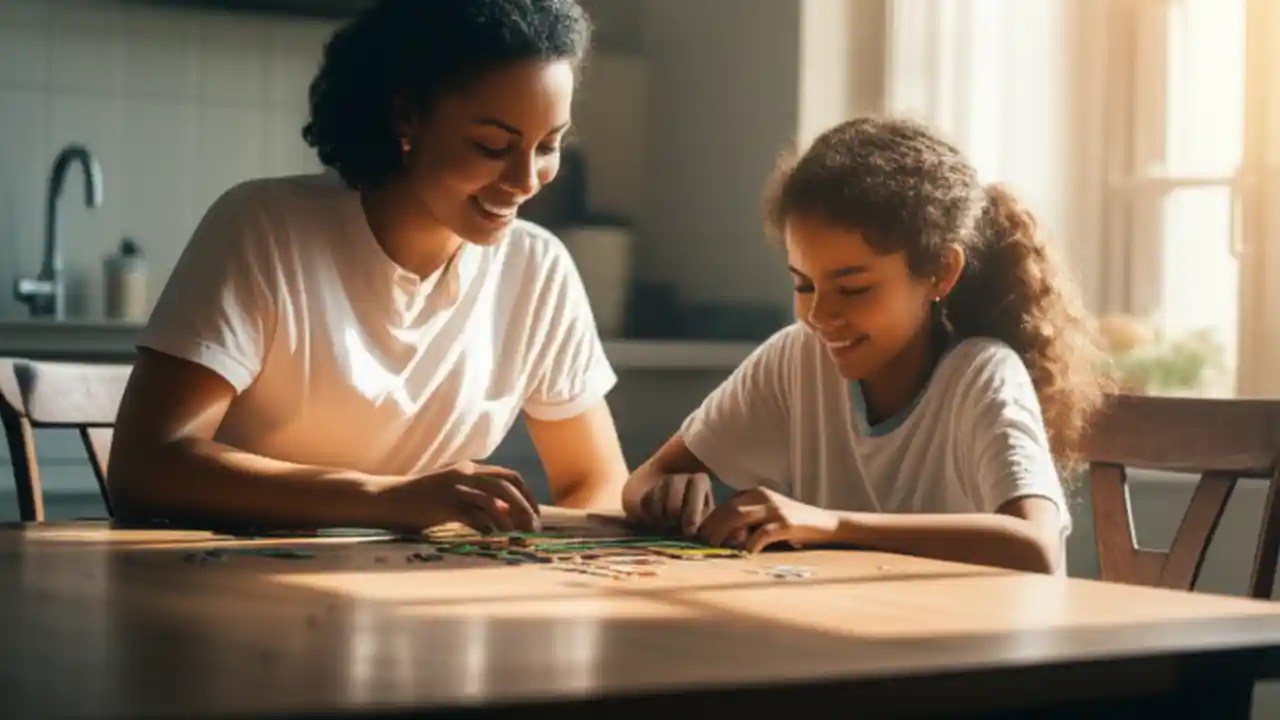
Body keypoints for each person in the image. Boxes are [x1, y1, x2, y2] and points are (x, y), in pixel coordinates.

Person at [108, 0, 627, 534]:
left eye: (549, 145)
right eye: (491, 145)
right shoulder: (265, 228)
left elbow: (598, 483)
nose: (525, 180)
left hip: (421, 598)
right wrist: (385, 499)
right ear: (407, 117)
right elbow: (146, 467)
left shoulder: (536, 267)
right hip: (237, 589)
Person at [622, 117, 1107, 574]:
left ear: (941, 272)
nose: (819, 315)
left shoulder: (980, 375)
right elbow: (644, 480)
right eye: (803, 285)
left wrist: (832, 525)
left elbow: (1036, 547)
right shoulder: (798, 358)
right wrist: (667, 492)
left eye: (853, 289)